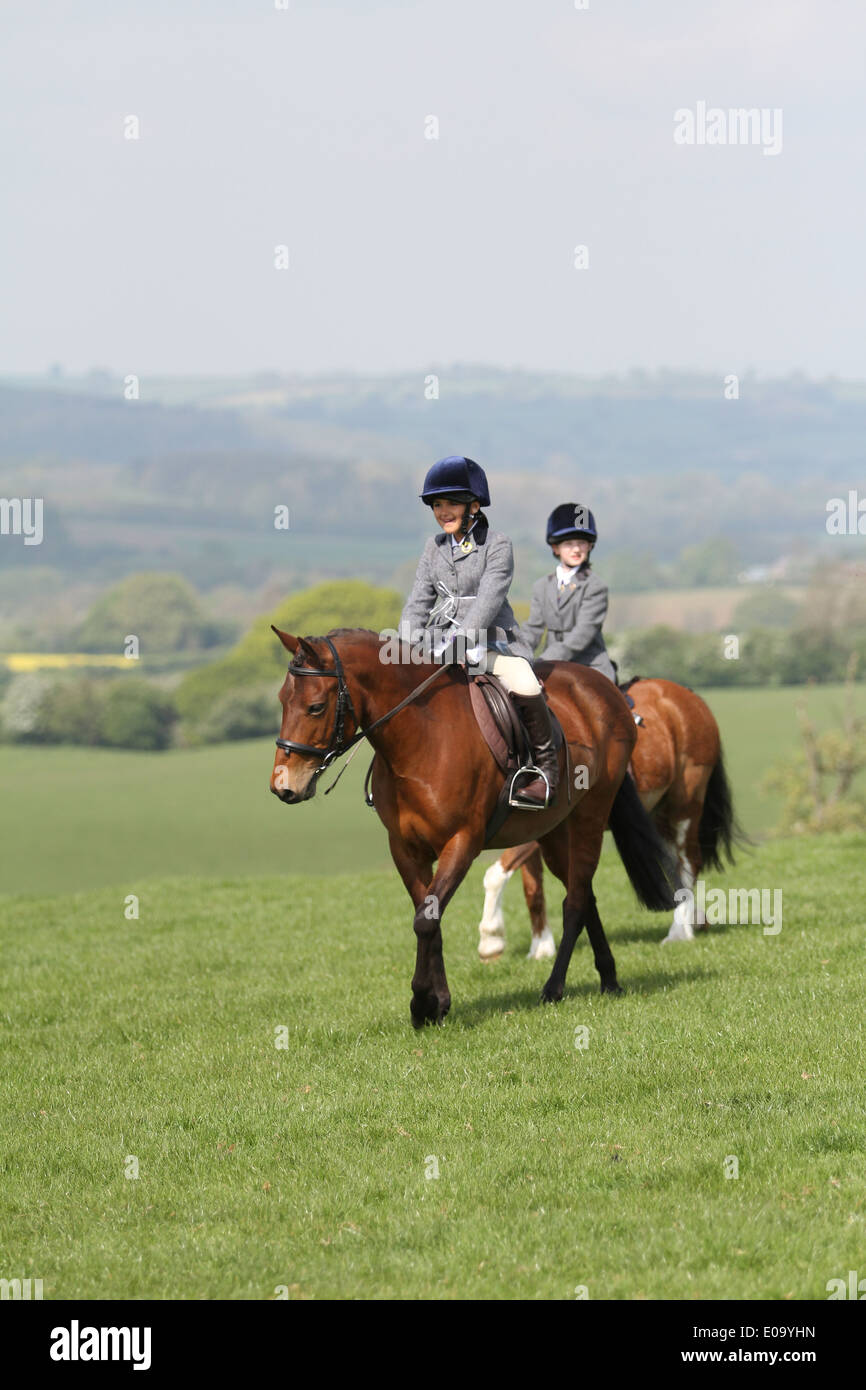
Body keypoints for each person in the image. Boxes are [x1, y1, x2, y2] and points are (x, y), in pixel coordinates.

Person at [399, 455, 558, 808]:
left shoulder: (497, 545)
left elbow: (488, 600)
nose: (443, 511)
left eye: (451, 503)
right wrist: (408, 643)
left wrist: (460, 644)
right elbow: (417, 601)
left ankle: (544, 774)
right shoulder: (433, 547)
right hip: (437, 643)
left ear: (473, 505)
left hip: (491, 644)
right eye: (437, 504)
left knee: (524, 682)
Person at [520, 503, 617, 682]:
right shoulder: (541, 586)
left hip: (589, 667)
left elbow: (582, 633)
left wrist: (544, 660)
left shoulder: (595, 586)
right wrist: (517, 654)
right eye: (569, 544)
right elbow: (533, 628)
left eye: (581, 543)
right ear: (555, 548)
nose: (576, 549)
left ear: (589, 546)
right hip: (551, 666)